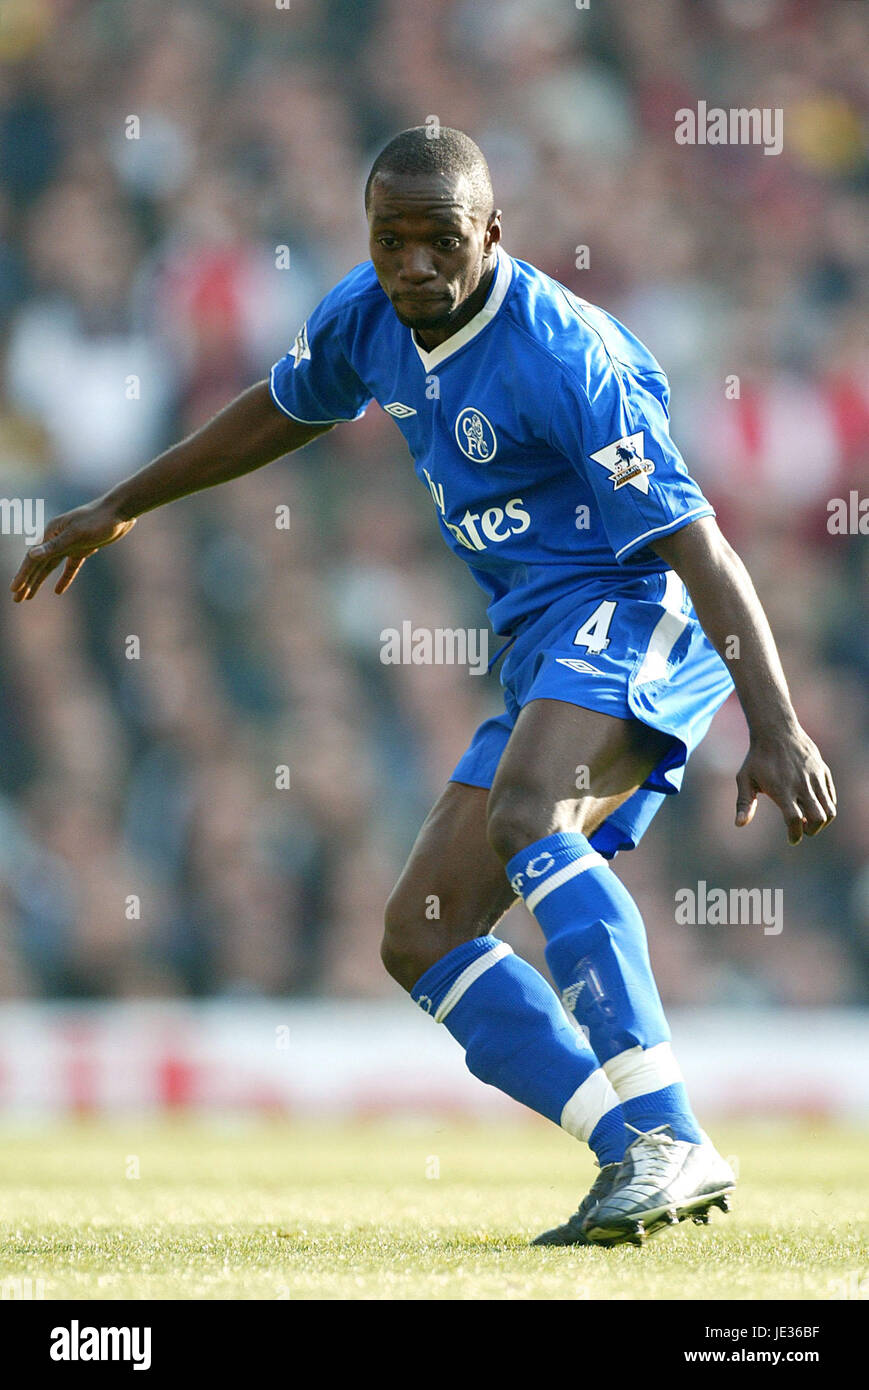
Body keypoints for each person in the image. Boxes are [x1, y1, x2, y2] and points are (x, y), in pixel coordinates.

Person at [11, 128, 836, 1247]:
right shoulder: (366, 314)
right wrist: (122, 502)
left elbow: (700, 548)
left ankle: (672, 1130)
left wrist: (774, 722)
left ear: (490, 234)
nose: (410, 265)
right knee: (421, 932)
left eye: (438, 241)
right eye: (388, 240)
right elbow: (281, 405)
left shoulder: (559, 354)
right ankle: (629, 1152)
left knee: (526, 809)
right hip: (544, 640)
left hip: (641, 611)